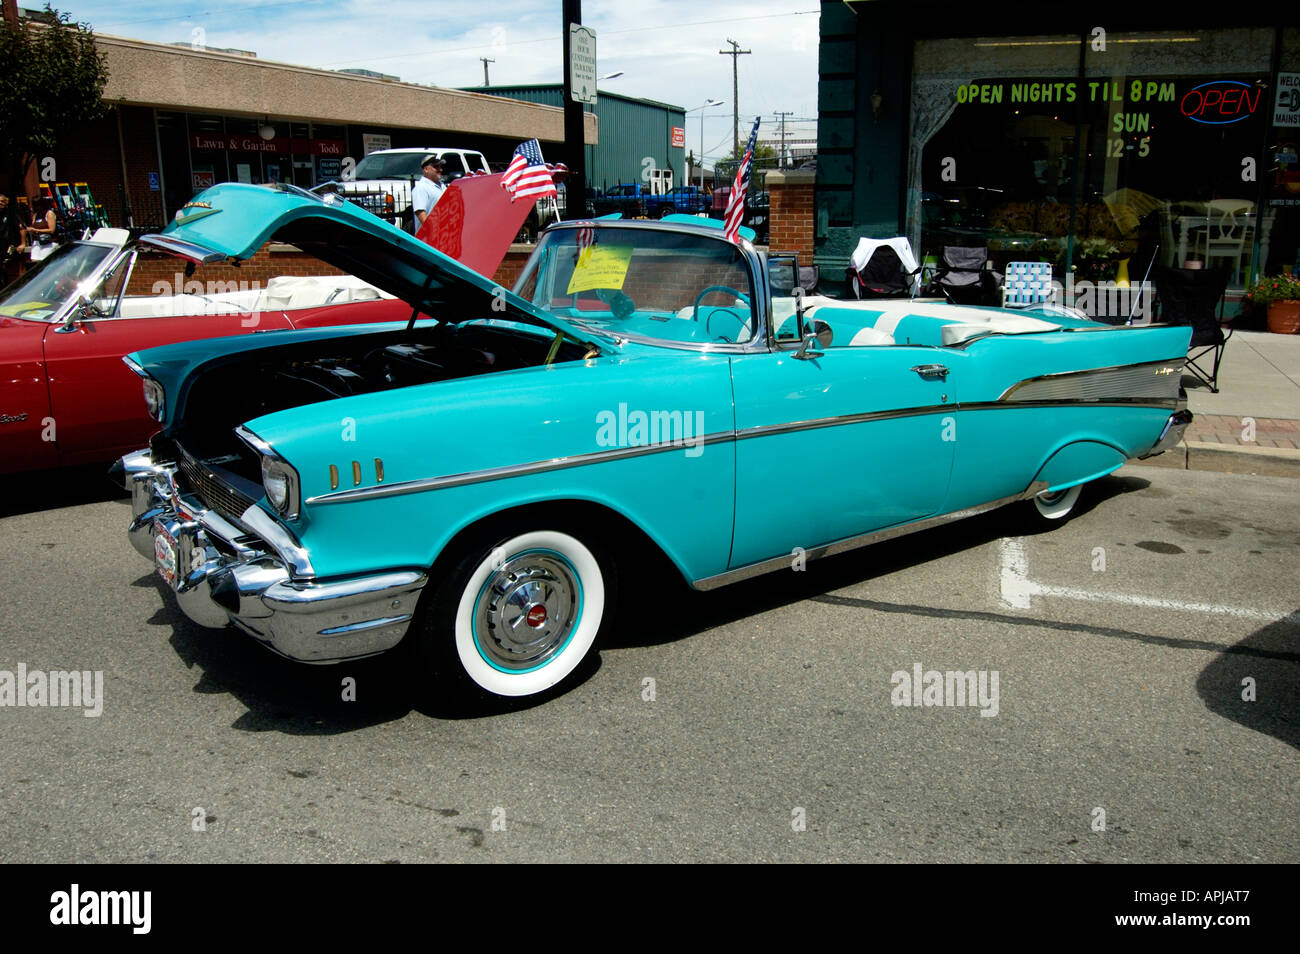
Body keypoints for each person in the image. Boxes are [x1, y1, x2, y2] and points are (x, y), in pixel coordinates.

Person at [410, 155, 446, 232]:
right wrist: (433, 232)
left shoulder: (443, 186)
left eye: (440, 166)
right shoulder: (421, 188)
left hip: (445, 235)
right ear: (426, 169)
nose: (440, 169)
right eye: (436, 167)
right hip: (429, 238)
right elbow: (420, 213)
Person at [20, 196, 58, 266]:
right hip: (37, 242)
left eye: (38, 205)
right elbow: (33, 227)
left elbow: (52, 230)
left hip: (48, 243)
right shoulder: (36, 215)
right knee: (34, 263)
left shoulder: (49, 213)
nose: (37, 207)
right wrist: (28, 229)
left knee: (46, 264)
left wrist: (36, 230)